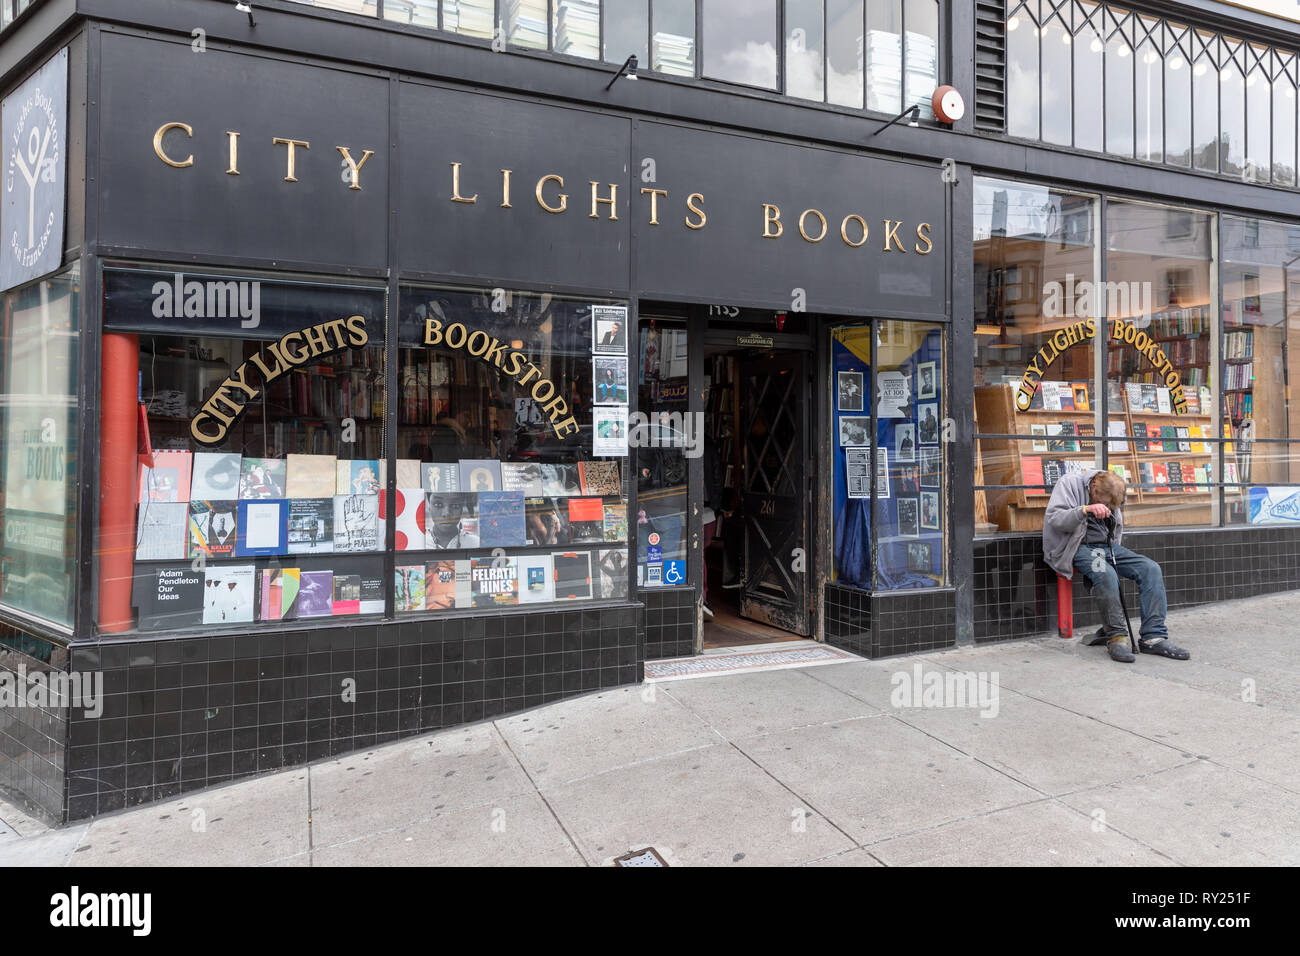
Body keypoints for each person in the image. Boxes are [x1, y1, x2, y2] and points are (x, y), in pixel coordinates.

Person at [1043, 469, 1189, 663]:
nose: (1106, 506)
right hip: (1076, 546)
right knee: (1105, 573)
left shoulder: (1112, 492)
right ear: (1093, 487)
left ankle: (1153, 637)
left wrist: (1114, 547)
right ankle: (1116, 638)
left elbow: (1116, 527)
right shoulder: (1069, 483)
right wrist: (1084, 509)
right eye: (1103, 502)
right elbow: (1055, 519)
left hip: (1107, 546)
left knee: (1150, 568)